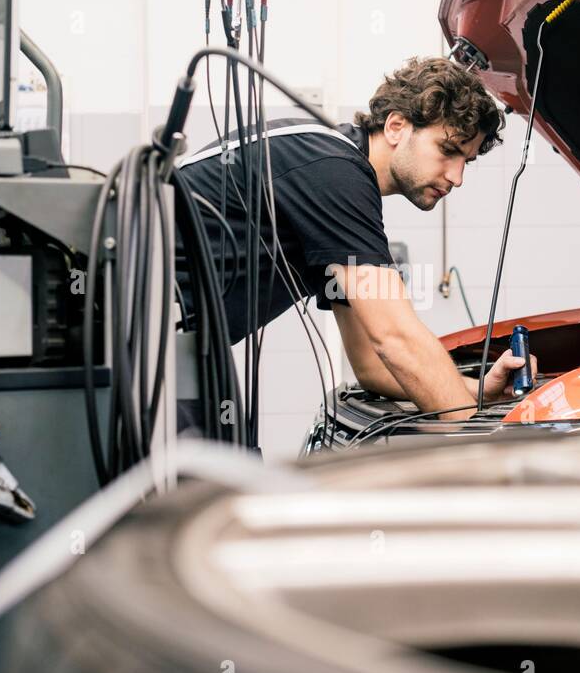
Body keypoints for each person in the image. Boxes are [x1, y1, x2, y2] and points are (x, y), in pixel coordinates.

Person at [176, 56, 534, 424]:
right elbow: (395, 338)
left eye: (467, 161)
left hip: (177, 346)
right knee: (198, 472)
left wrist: (475, 391)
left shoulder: (337, 184)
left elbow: (370, 365)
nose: (457, 177)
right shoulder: (333, 170)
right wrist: (475, 442)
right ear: (396, 126)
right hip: (140, 331)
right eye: (448, 151)